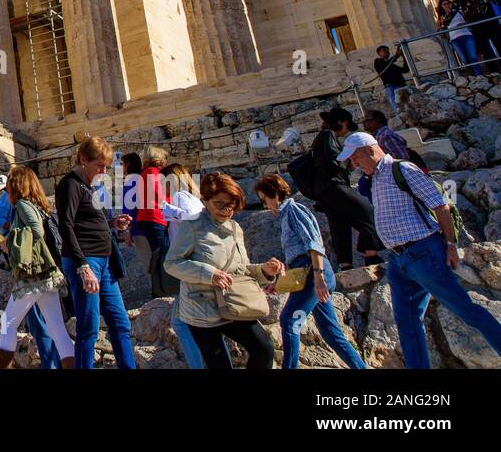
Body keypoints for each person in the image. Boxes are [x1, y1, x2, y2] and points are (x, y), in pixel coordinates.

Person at [340, 131, 501, 368]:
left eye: (355, 158)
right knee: (406, 322)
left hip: (425, 253)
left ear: (370, 150)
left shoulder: (403, 170)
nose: (353, 164)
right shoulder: (373, 179)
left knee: (465, 310)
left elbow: (441, 206)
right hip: (399, 259)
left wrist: (450, 244)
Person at [164, 173, 283, 369]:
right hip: (202, 310)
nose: (226, 209)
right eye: (219, 203)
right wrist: (209, 274)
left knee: (264, 348)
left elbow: (241, 269)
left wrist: (265, 270)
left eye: (231, 204)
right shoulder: (192, 226)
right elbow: (172, 263)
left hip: (233, 304)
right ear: (205, 200)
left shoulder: (235, 228)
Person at [255, 174, 366, 370]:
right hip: (310, 274)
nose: (265, 205)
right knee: (331, 332)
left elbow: (313, 245)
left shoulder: (294, 211)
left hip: (314, 274)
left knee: (288, 321)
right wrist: (279, 283)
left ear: (275, 194)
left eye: (265, 199)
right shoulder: (285, 216)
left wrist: (319, 278)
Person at [56, 136, 136, 369]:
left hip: (106, 262)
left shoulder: (89, 186)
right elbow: (67, 226)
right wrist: (83, 267)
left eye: (106, 167)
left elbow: (88, 221)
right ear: (83, 159)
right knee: (88, 326)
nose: (102, 171)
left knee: (120, 323)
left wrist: (113, 224)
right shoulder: (69, 185)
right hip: (86, 262)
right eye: (99, 166)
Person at [0, 166, 74, 369]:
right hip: (46, 274)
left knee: (7, 323)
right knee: (57, 328)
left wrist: (9, 240)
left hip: (33, 275)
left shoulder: (22, 204)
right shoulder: (39, 206)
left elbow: (35, 230)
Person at [159, 162, 224, 369]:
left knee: (181, 323)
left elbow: (192, 220)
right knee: (199, 323)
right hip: (197, 265)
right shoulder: (194, 198)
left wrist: (169, 211)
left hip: (187, 266)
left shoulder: (180, 198)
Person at [313, 108, 383, 269]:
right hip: (334, 185)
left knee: (339, 223)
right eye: (345, 124)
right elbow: (333, 162)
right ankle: (370, 254)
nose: (346, 128)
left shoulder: (321, 138)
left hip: (323, 190)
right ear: (340, 122)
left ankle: (345, 263)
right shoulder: (327, 135)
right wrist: (350, 161)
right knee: (367, 211)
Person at [132, 145, 171, 297]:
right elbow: (159, 196)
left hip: (150, 217)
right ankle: (161, 287)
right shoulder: (152, 173)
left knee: (158, 253)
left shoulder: (146, 173)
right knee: (161, 254)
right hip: (155, 217)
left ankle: (160, 287)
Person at [453, 0, 501, 69]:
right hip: (491, 21)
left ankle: (495, 71)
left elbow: (453, 10)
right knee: (500, 44)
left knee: (485, 50)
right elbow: (497, 0)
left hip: (475, 25)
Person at [438, 0, 482, 75]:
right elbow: (442, 29)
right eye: (444, 4)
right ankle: (473, 75)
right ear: (441, 7)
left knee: (472, 57)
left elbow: (469, 20)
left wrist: (463, 24)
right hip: (454, 39)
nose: (447, 5)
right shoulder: (442, 18)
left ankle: (478, 74)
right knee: (464, 59)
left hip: (466, 34)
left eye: (448, 3)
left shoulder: (458, 11)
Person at [373, 44, 409, 114]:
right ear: (379, 53)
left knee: (409, 105)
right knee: (397, 108)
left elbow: (405, 70)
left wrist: (404, 57)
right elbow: (386, 65)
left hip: (402, 86)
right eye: (384, 50)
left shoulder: (392, 65)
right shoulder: (378, 62)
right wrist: (397, 55)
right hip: (391, 87)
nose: (387, 51)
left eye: (388, 50)